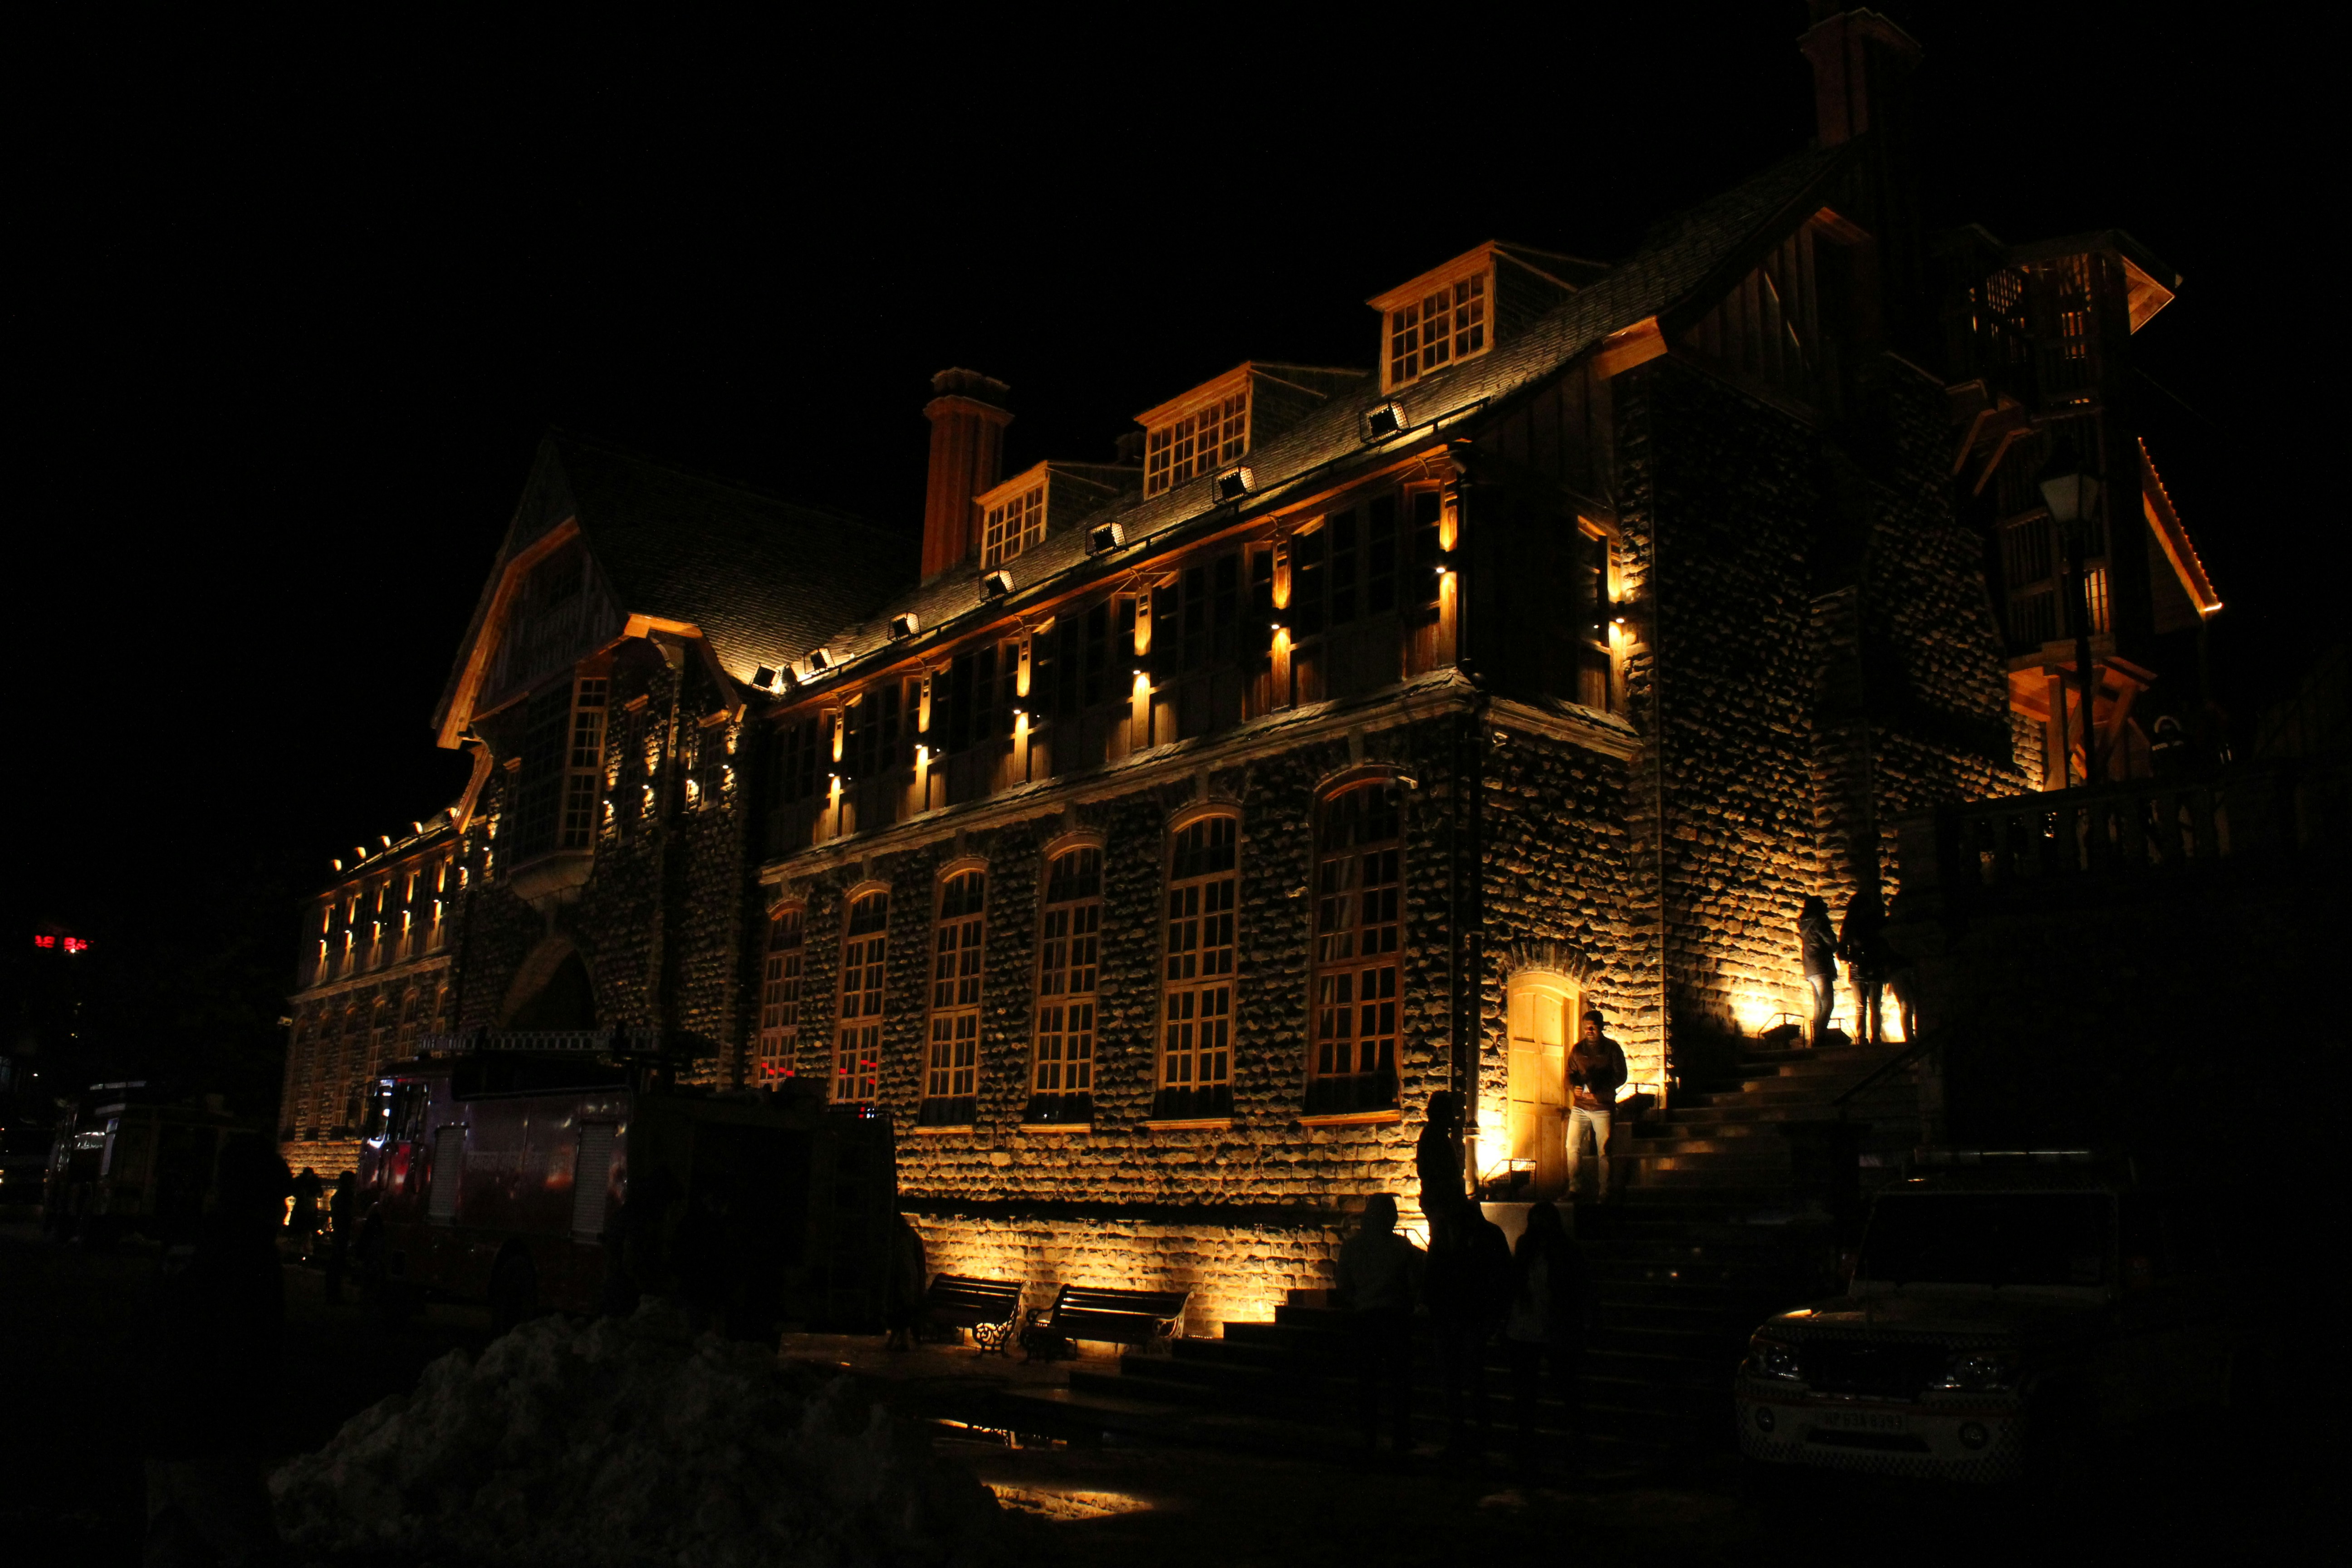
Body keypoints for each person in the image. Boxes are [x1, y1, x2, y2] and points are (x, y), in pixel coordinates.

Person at [142, 1134, 290, 1566]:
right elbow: (253, 1351)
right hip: (214, 1439)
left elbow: (148, 1331)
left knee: (172, 1546)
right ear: (257, 1198)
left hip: (162, 1430)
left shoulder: (188, 1244)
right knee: (250, 1549)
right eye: (279, 1199)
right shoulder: (249, 1255)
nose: (285, 1211)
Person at [1335, 1193, 1425, 1459]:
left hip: (1366, 1318)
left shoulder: (1352, 1248)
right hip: (1395, 1318)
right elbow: (1415, 1283)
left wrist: (1358, 1302)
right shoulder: (1402, 1248)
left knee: (1368, 1381)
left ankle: (1369, 1435)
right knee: (1400, 1381)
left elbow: (1343, 1285)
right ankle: (1400, 1435)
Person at [1423, 1198, 1511, 1462]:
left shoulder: (1481, 1237)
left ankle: (1476, 1434)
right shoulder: (1450, 1236)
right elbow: (1434, 1272)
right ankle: (1461, 1434)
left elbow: (1498, 1276)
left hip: (1470, 1316)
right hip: (1453, 1317)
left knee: (1471, 1378)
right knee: (1457, 1380)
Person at [1504, 1200, 1587, 1475]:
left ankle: (1574, 1443)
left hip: (1551, 1328)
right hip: (1525, 1328)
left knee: (1565, 1388)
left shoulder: (1563, 1253)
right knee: (1527, 1392)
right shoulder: (1528, 1250)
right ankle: (1527, 1443)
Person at [1564, 1011, 1626, 1202]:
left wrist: (1601, 1091)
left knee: (1604, 1151)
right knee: (1572, 1145)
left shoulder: (1612, 1049)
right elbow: (1569, 1073)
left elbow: (1621, 1076)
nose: (1589, 1031)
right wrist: (1573, 1088)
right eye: (1586, 1028)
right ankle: (1575, 1188)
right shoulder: (1578, 1050)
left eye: (1593, 1027)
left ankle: (1605, 1191)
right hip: (1581, 1107)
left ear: (1601, 1027)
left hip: (1602, 1107)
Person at [1839, 889, 1889, 1046]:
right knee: (1872, 1007)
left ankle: (1865, 1039)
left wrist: (1852, 959)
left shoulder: (1850, 925)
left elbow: (1841, 952)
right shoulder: (1875, 922)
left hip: (1864, 968)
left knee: (1864, 1007)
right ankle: (1872, 1039)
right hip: (1870, 968)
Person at [1415, 1091, 1466, 1238]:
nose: (1453, 1115)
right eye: (1450, 1111)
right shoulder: (1434, 1138)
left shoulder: (1436, 1135)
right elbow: (1436, 1172)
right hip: (1441, 1202)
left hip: (1440, 1201)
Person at [882, 1212, 928, 1351]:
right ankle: (900, 1341)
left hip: (903, 1276)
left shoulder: (897, 1236)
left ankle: (904, 1342)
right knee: (903, 1308)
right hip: (910, 1275)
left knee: (901, 1308)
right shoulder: (911, 1234)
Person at [1798, 896, 1838, 1047]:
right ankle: (1820, 1038)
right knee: (1828, 1003)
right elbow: (1832, 942)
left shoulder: (1804, 924)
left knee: (1819, 1005)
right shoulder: (1820, 922)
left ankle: (1818, 1037)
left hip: (1811, 968)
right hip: (1822, 966)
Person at [322, 1171, 356, 1303]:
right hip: (342, 1231)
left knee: (336, 1261)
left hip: (340, 1231)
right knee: (337, 1262)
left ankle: (333, 1291)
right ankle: (334, 1293)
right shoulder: (345, 1197)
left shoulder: (339, 1196)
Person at [288, 1166, 322, 1262]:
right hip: (302, 1210)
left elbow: (320, 1193)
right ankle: (298, 1253)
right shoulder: (300, 1181)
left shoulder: (315, 1182)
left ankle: (306, 1253)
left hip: (309, 1210)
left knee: (307, 1233)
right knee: (300, 1232)